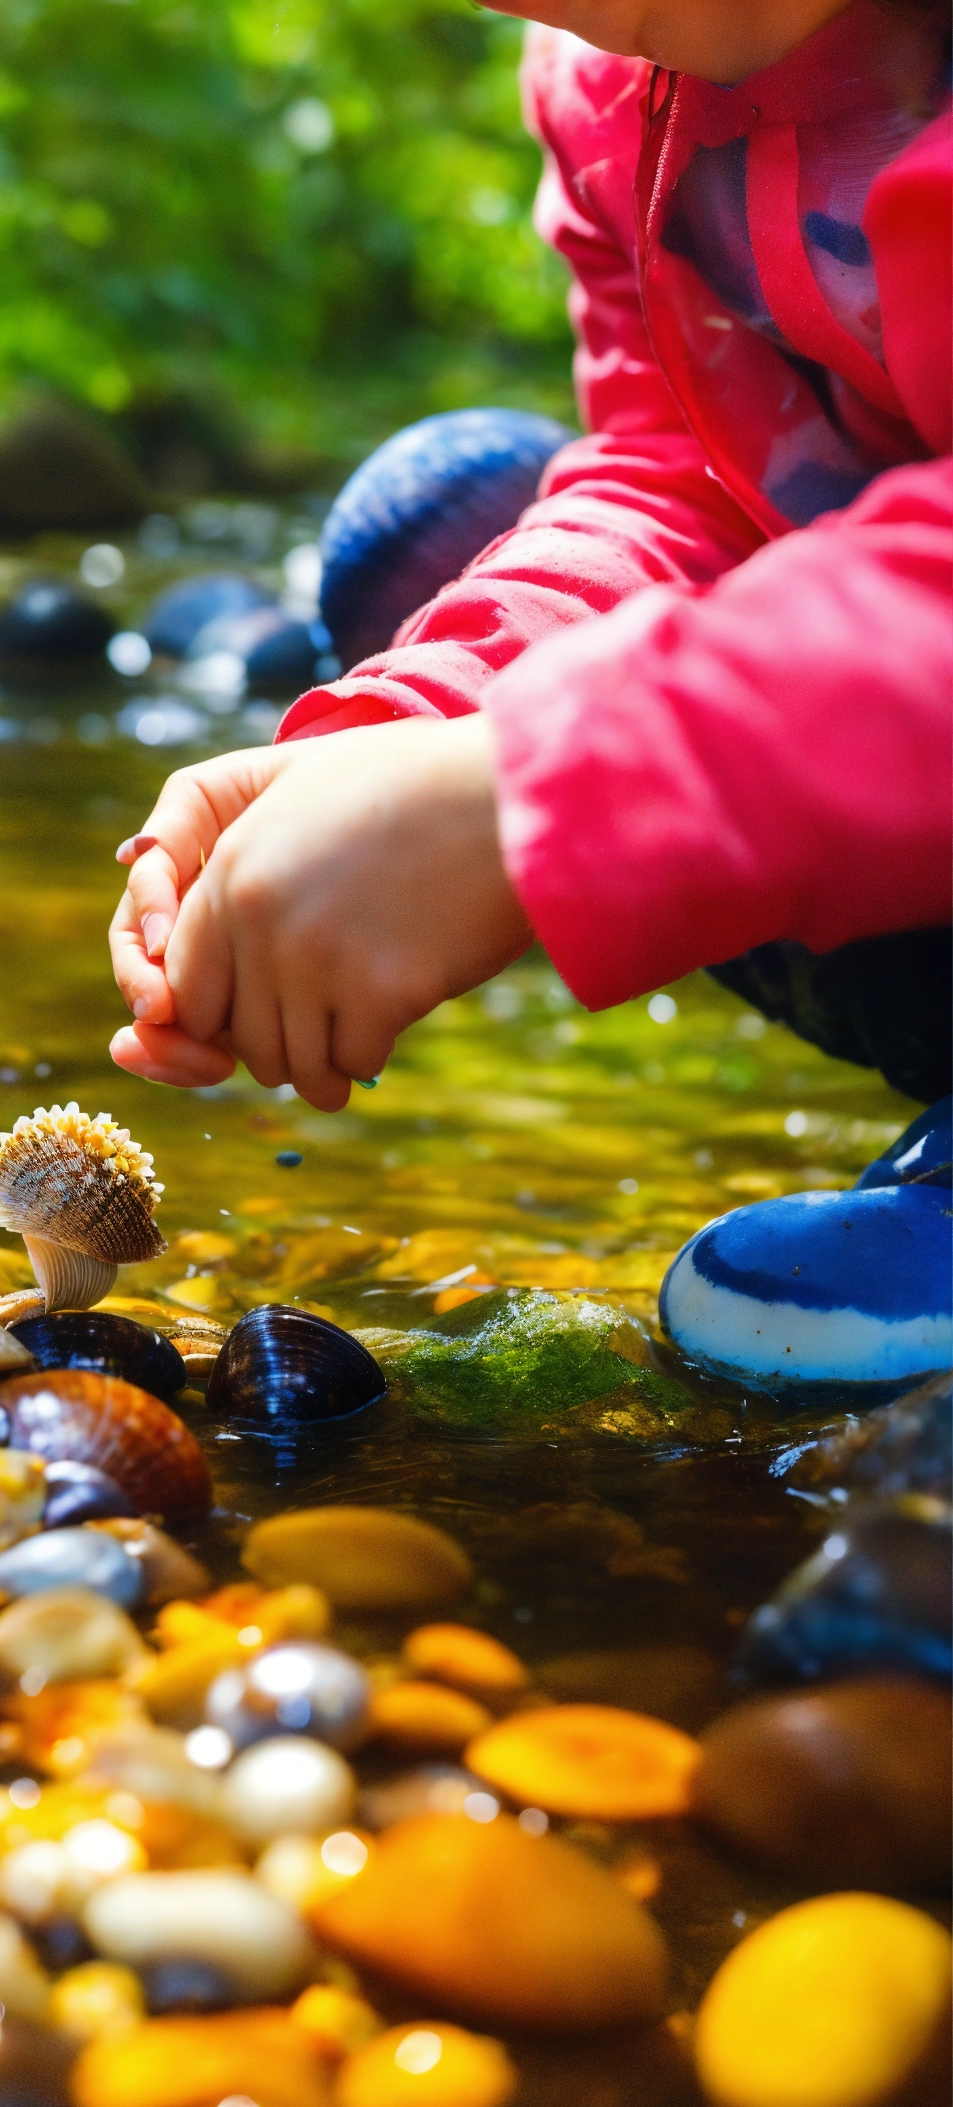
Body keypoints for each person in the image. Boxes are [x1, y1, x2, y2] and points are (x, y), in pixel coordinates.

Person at [106, 0, 952, 1395]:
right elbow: (687, 473)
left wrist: (532, 801)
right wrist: (419, 738)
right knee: (434, 536)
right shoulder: (612, 79)